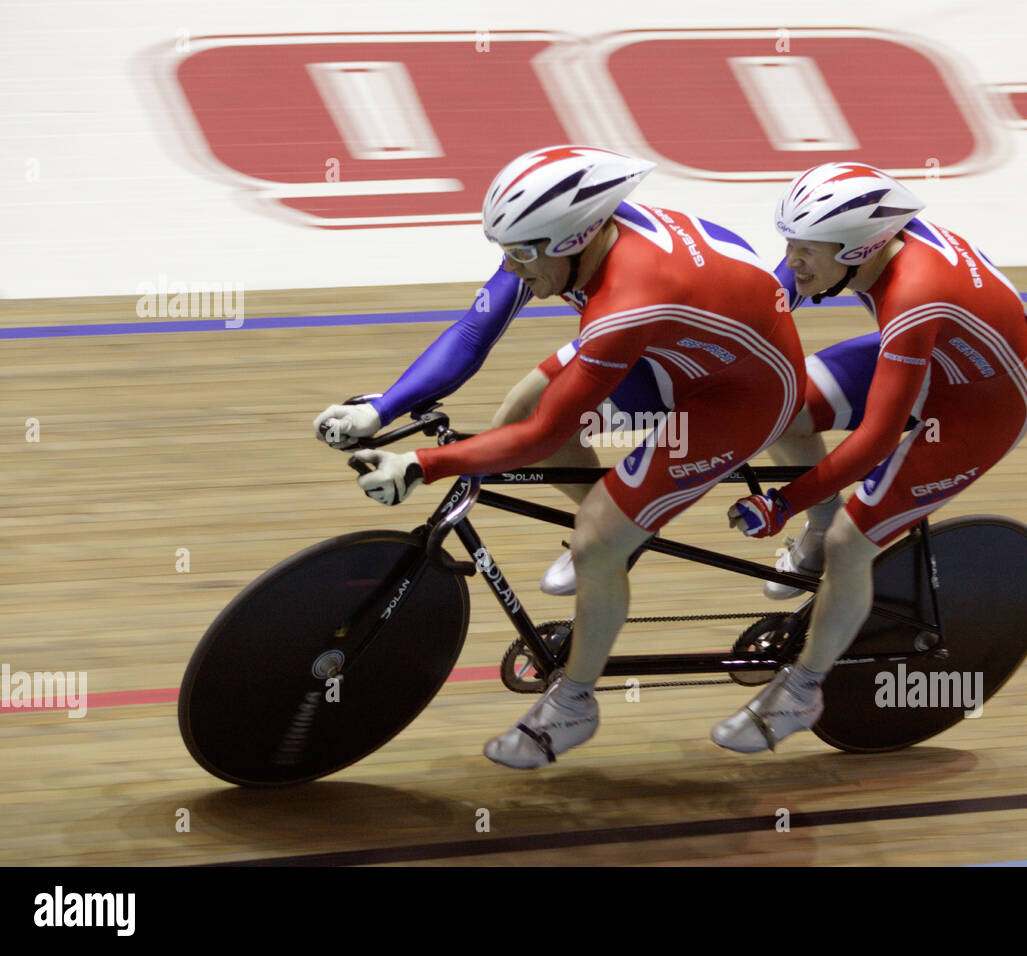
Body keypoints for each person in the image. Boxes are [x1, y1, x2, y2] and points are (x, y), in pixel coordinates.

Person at [320, 144, 806, 769]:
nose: (510, 268)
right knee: (516, 417)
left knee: (595, 537)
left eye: (520, 255)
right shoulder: (561, 244)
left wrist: (421, 464)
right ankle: (626, 534)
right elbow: (474, 332)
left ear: (575, 238)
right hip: (674, 347)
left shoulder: (628, 296)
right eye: (504, 250)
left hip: (736, 394)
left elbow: (547, 437)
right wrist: (382, 408)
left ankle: (575, 702)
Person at [714, 161, 1027, 753]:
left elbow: (875, 441)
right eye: (789, 243)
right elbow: (770, 301)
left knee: (853, 543)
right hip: (928, 359)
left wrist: (783, 502)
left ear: (858, 248)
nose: (793, 261)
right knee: (778, 403)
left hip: (977, 412)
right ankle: (816, 538)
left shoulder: (915, 293)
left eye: (806, 250)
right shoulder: (876, 251)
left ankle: (803, 690)